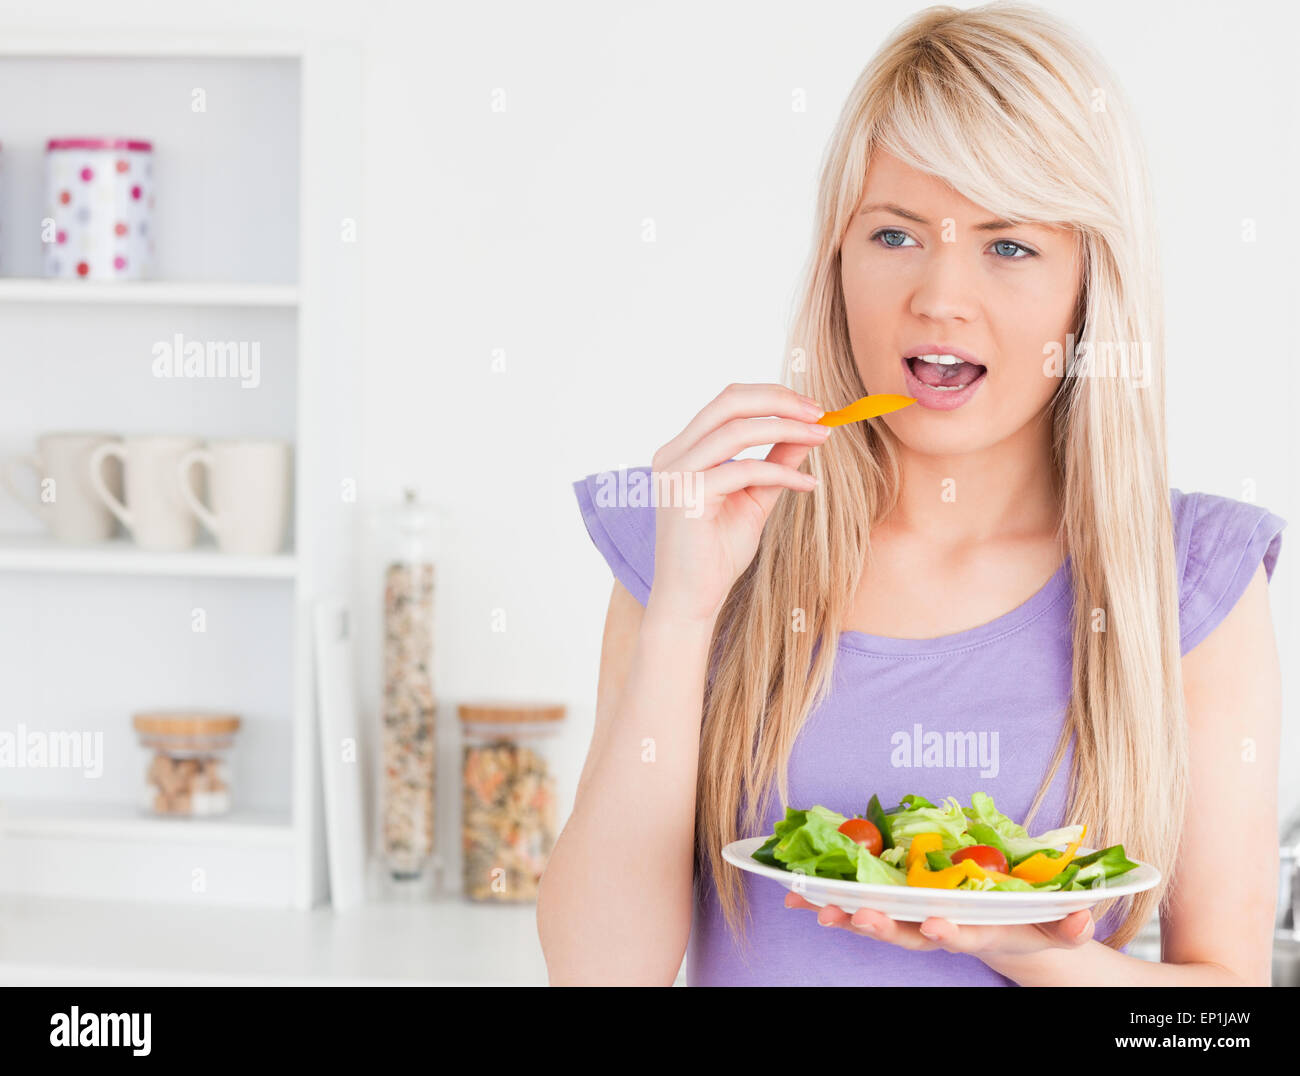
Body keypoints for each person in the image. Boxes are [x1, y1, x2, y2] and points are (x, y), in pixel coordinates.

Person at [537, 2, 1286, 986]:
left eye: (1008, 246)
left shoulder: (1191, 577)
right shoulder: (695, 535)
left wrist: (1011, 940)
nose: (939, 298)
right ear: (836, 259)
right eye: (894, 234)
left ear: (1087, 288)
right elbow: (598, 973)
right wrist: (682, 614)